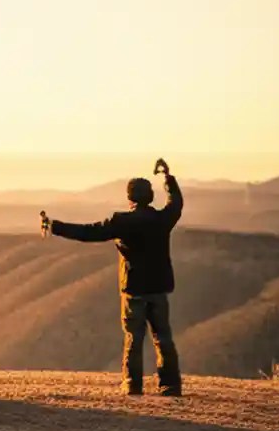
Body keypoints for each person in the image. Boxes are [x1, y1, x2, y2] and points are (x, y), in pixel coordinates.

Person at [41, 158, 184, 397]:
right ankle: (170, 385)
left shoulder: (121, 222)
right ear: (150, 197)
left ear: (130, 198)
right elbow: (176, 204)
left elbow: (88, 232)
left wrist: (55, 226)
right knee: (163, 338)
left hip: (133, 290)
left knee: (134, 339)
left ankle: (133, 385)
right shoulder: (161, 219)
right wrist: (168, 178)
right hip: (159, 289)